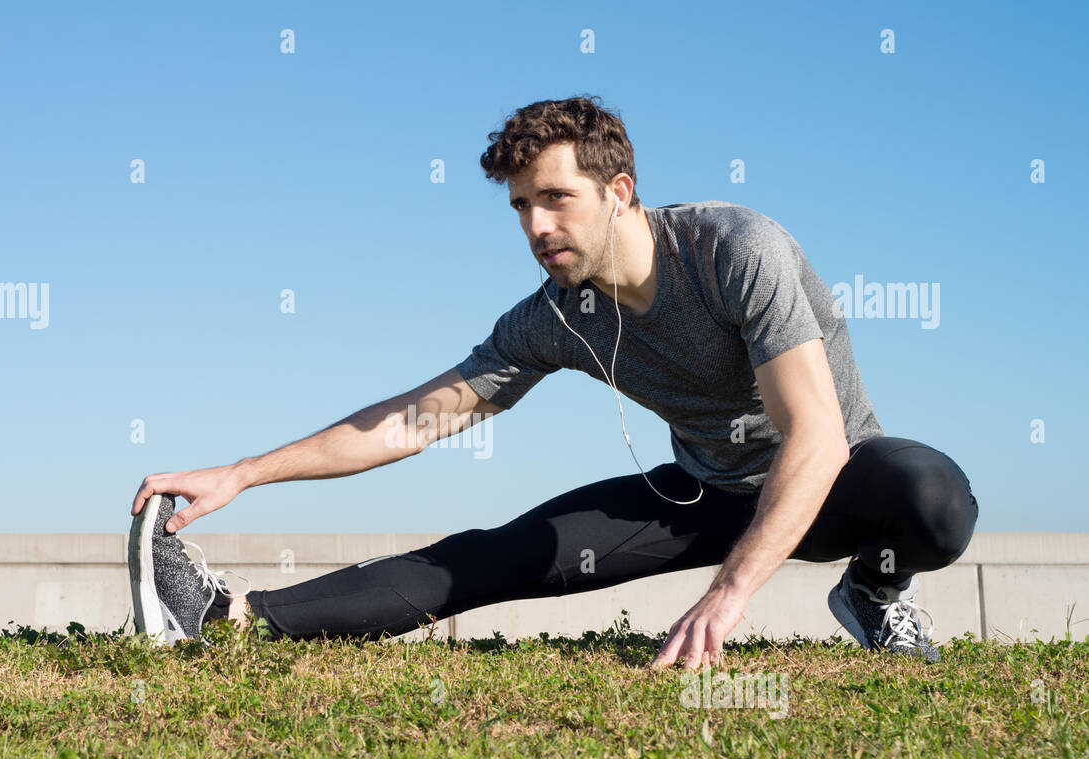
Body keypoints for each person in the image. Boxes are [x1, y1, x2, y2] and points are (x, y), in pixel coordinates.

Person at [128, 95, 978, 670]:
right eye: (520, 208)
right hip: (706, 492)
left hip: (835, 480)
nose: (536, 226)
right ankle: (233, 616)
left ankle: (872, 588)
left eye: (555, 199)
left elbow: (816, 434)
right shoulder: (556, 314)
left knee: (935, 497)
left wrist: (728, 593)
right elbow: (413, 420)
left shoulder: (732, 250)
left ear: (620, 191)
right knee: (491, 555)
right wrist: (242, 472)